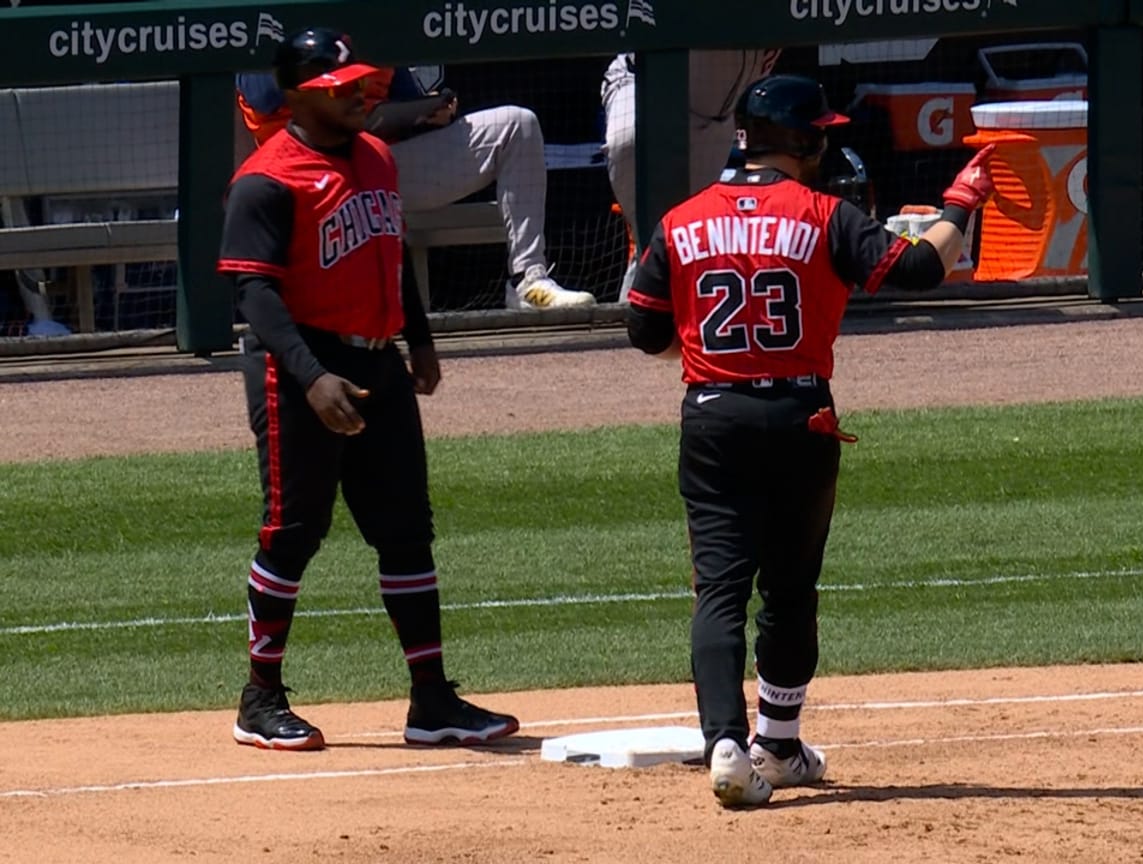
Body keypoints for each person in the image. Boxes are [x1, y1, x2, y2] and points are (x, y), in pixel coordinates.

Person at [624, 74, 996, 807]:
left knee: (720, 590)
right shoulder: (825, 214)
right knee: (789, 591)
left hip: (713, 418)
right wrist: (962, 199)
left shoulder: (682, 221)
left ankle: (726, 744)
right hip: (800, 419)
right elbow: (920, 268)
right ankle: (781, 743)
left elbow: (644, 332)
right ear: (801, 140)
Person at [217, 26, 518, 751]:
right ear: (297, 95)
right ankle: (259, 699)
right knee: (293, 532)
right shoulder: (267, 176)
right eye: (338, 86)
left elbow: (389, 254)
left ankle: (432, 700)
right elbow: (253, 293)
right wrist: (313, 378)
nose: (357, 94)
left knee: (407, 531)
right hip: (298, 364)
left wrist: (419, 338)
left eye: (360, 83)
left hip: (379, 362)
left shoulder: (378, 158)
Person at [237, 53, 596, 311]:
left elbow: (402, 106)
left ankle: (528, 279)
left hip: (383, 168)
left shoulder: (377, 20)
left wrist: (432, 110)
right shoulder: (269, 21)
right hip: (305, 176)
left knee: (517, 126)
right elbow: (266, 96)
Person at [601, 48, 782, 302]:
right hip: (647, 85)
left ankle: (648, 298)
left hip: (719, 117)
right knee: (631, 141)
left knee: (683, 241)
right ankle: (643, 309)